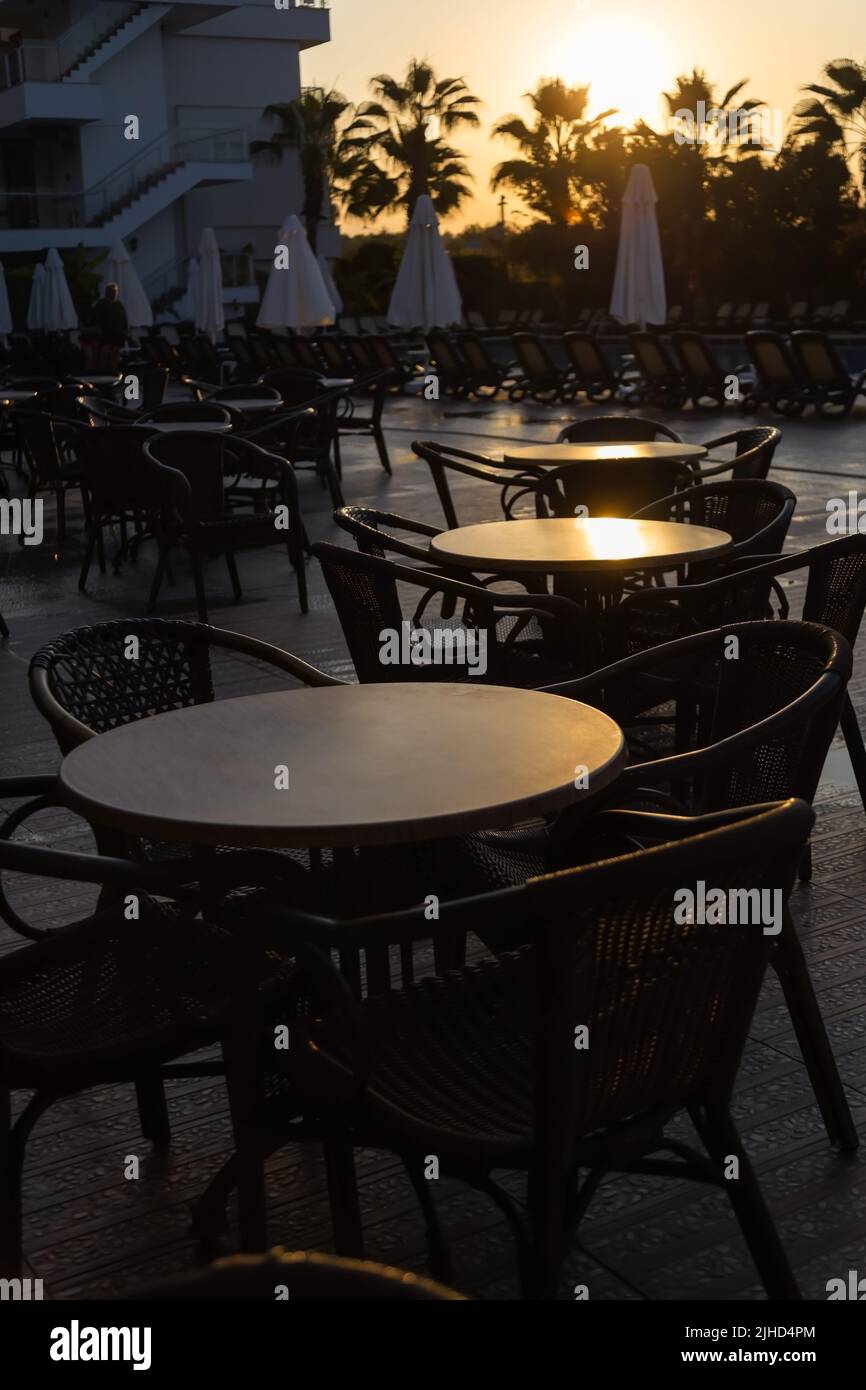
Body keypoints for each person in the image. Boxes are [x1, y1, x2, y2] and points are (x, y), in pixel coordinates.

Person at [90, 283, 128, 372]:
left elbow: (124, 318)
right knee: (104, 354)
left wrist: (125, 330)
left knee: (115, 356)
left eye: (115, 291)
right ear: (107, 292)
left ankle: (115, 372)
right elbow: (96, 318)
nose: (114, 293)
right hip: (106, 335)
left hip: (117, 335)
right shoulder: (102, 303)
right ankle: (102, 372)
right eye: (112, 291)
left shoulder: (118, 304)